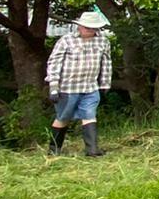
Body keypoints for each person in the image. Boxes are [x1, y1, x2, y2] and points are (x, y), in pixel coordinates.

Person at [47, 11, 112, 157]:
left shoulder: (103, 41)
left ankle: (92, 150)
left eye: (94, 28)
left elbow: (106, 63)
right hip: (68, 87)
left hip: (90, 87)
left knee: (89, 114)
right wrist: (53, 86)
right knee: (63, 117)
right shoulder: (66, 41)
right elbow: (54, 63)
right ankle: (53, 150)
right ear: (80, 26)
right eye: (88, 27)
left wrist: (105, 84)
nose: (90, 30)